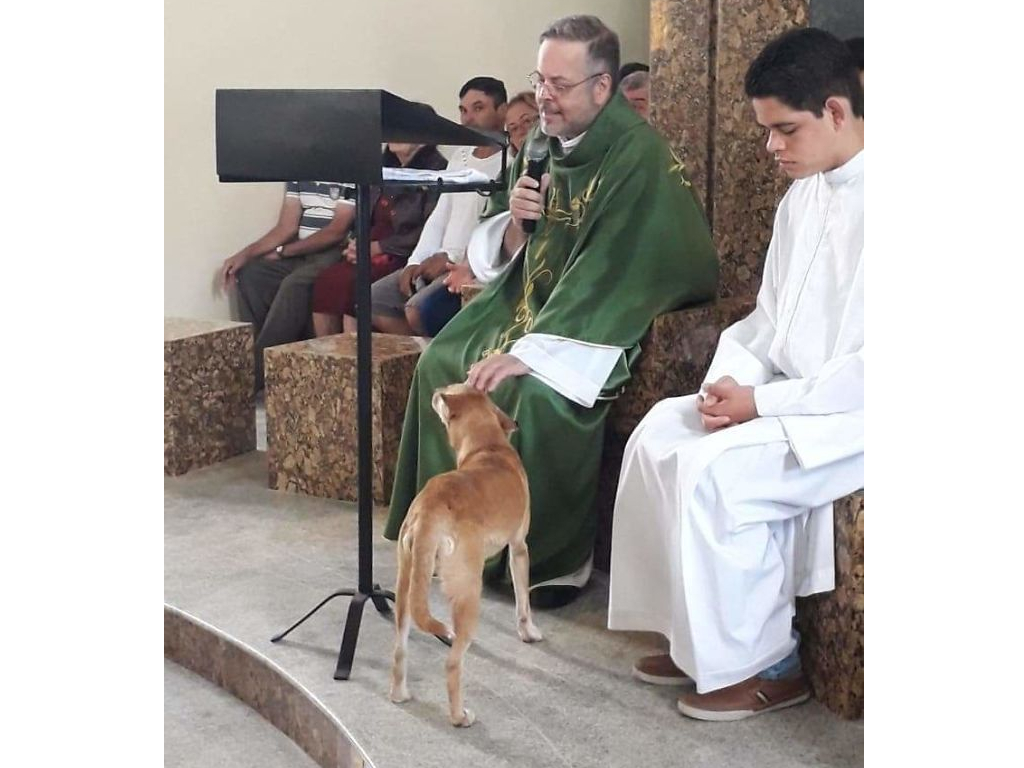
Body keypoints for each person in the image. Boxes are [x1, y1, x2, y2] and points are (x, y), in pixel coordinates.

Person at [382, 15, 719, 608]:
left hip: (606, 312)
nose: (543, 98)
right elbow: (519, 249)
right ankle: (455, 537)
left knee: (537, 397)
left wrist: (531, 351)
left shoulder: (635, 156)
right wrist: (515, 224)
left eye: (559, 85)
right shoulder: (539, 143)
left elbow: (621, 266)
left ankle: (546, 565)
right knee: (442, 361)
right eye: (539, 81)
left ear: (602, 87)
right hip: (536, 300)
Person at [607, 27, 864, 721]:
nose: (772, 148)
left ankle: (768, 665)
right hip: (783, 393)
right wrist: (726, 384)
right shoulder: (803, 196)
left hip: (852, 413)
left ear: (837, 112)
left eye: (784, 130)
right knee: (659, 433)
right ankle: (694, 639)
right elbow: (766, 322)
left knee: (716, 473)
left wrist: (764, 402)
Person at [369, 77, 508, 337]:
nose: (468, 119)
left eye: (478, 108)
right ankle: (418, 366)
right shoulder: (459, 157)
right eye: (463, 110)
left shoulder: (511, 160)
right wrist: (415, 261)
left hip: (472, 265)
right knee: (374, 300)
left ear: (501, 110)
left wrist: (452, 258)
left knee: (417, 309)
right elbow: (439, 216)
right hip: (438, 258)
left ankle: (436, 366)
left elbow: (494, 226)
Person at [416, 91, 540, 337]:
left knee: (429, 308)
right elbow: (489, 224)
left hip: (530, 271)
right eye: (513, 128)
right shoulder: (510, 173)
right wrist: (468, 265)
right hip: (492, 265)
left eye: (529, 121)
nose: (522, 131)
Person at [221, 180, 354, 391]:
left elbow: (337, 230)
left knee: (294, 284)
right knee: (250, 274)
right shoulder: (298, 170)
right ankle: (263, 361)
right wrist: (246, 254)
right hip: (300, 251)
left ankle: (253, 374)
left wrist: (286, 251)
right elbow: (287, 226)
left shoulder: (349, 167)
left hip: (335, 251)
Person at [310, 140, 447, 335]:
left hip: (401, 250)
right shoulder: (382, 165)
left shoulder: (437, 170)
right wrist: (356, 242)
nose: (394, 137)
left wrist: (379, 247)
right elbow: (363, 210)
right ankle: (332, 359)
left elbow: (427, 227)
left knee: (354, 287)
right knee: (327, 281)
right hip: (370, 244)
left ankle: (358, 359)